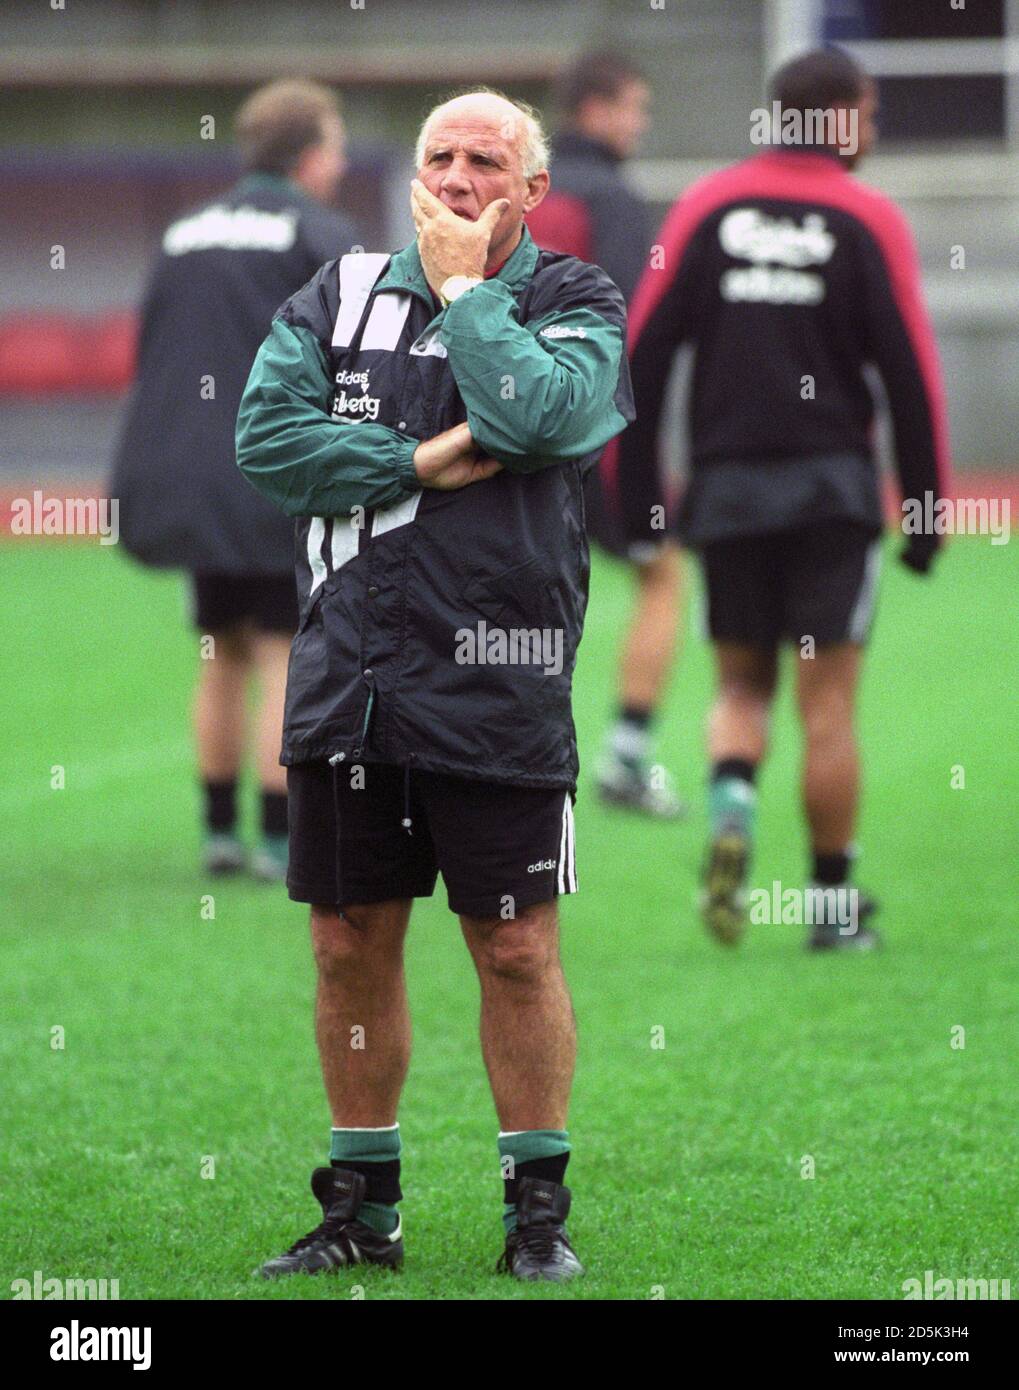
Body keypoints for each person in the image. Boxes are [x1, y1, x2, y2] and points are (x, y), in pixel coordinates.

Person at [236, 90, 633, 1280]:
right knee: (346, 946)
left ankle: (535, 1211)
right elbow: (266, 441)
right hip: (346, 682)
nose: (456, 177)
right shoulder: (336, 291)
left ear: (528, 190)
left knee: (513, 946)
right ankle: (363, 1210)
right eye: (437, 157)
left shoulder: (572, 300)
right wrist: (412, 460)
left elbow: (545, 414)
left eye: (485, 161)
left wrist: (465, 296)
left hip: (499, 682)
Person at [616, 47, 951, 950]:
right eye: (869, 116)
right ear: (837, 118)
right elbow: (911, 375)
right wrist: (924, 512)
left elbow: (640, 357)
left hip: (725, 494)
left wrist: (638, 498)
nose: (871, 134)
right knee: (828, 706)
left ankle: (730, 807)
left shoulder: (704, 207)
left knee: (738, 683)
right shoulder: (864, 216)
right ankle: (831, 909)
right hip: (831, 495)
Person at [111, 80, 356, 881]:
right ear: (311, 154)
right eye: (336, 144)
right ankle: (283, 836)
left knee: (219, 649)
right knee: (287, 647)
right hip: (277, 471)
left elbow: (149, 353)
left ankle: (219, 832)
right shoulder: (320, 231)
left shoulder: (184, 232)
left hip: (185, 474)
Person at [529, 52, 686, 819]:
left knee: (519, 590)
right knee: (662, 575)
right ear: (594, 108)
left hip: (507, 422)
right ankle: (626, 758)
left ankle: (503, 751)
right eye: (633, 107)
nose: (640, 124)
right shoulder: (613, 197)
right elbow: (633, 323)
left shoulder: (523, 189)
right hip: (600, 429)